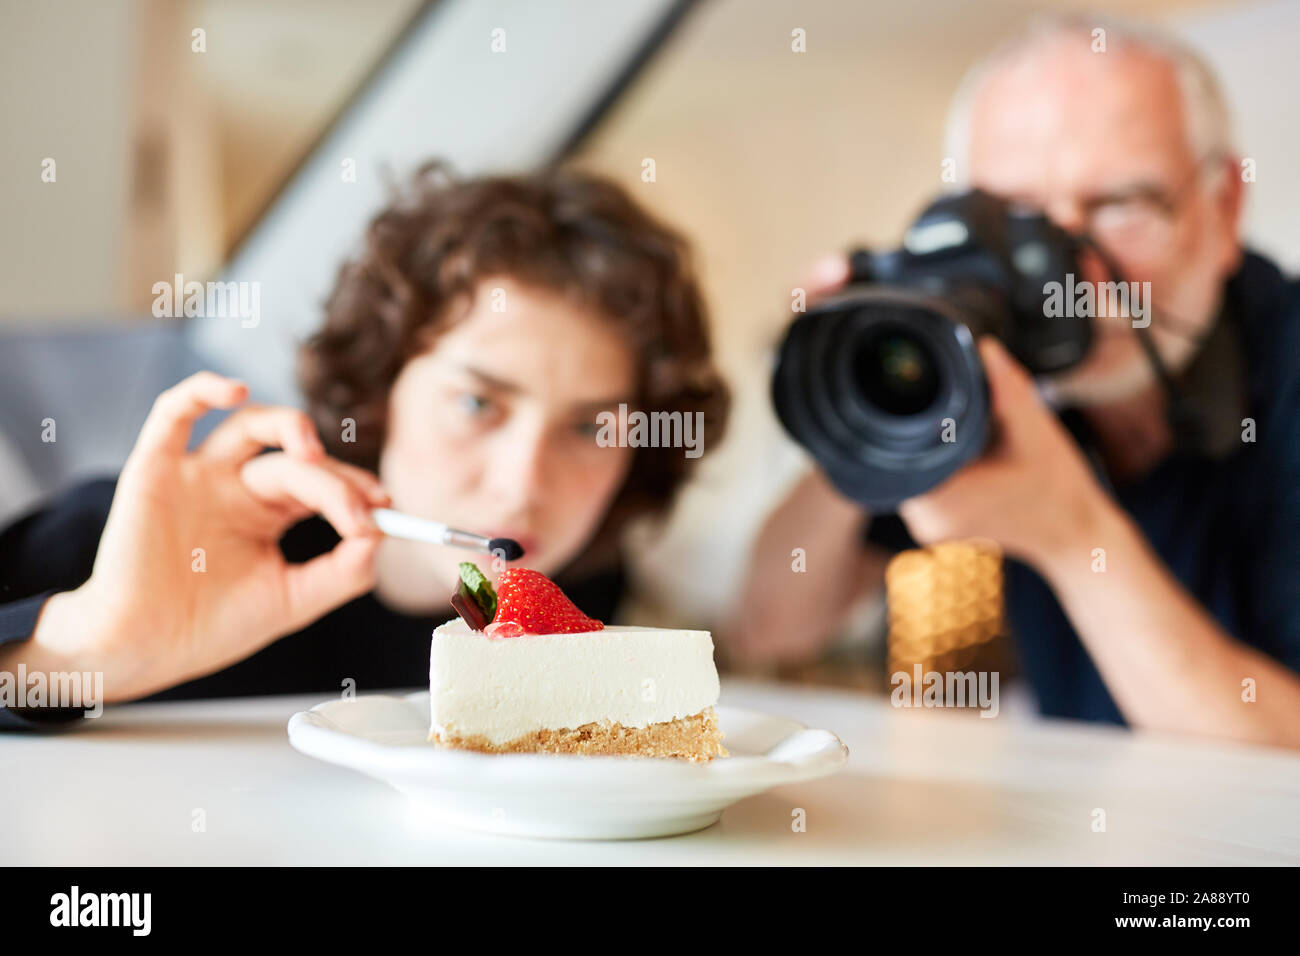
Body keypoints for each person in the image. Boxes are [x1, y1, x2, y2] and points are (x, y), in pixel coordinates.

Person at [729, 16, 1300, 750]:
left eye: (1120, 206)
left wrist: (1072, 536)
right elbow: (770, 627)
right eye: (1018, 224)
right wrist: (854, 403)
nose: (1063, 272)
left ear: (1223, 209)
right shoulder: (980, 361)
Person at [0, 163, 728, 726]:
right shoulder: (132, 540)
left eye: (591, 427)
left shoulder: (579, 595)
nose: (521, 485)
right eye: (477, 403)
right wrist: (74, 656)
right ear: (382, 391)